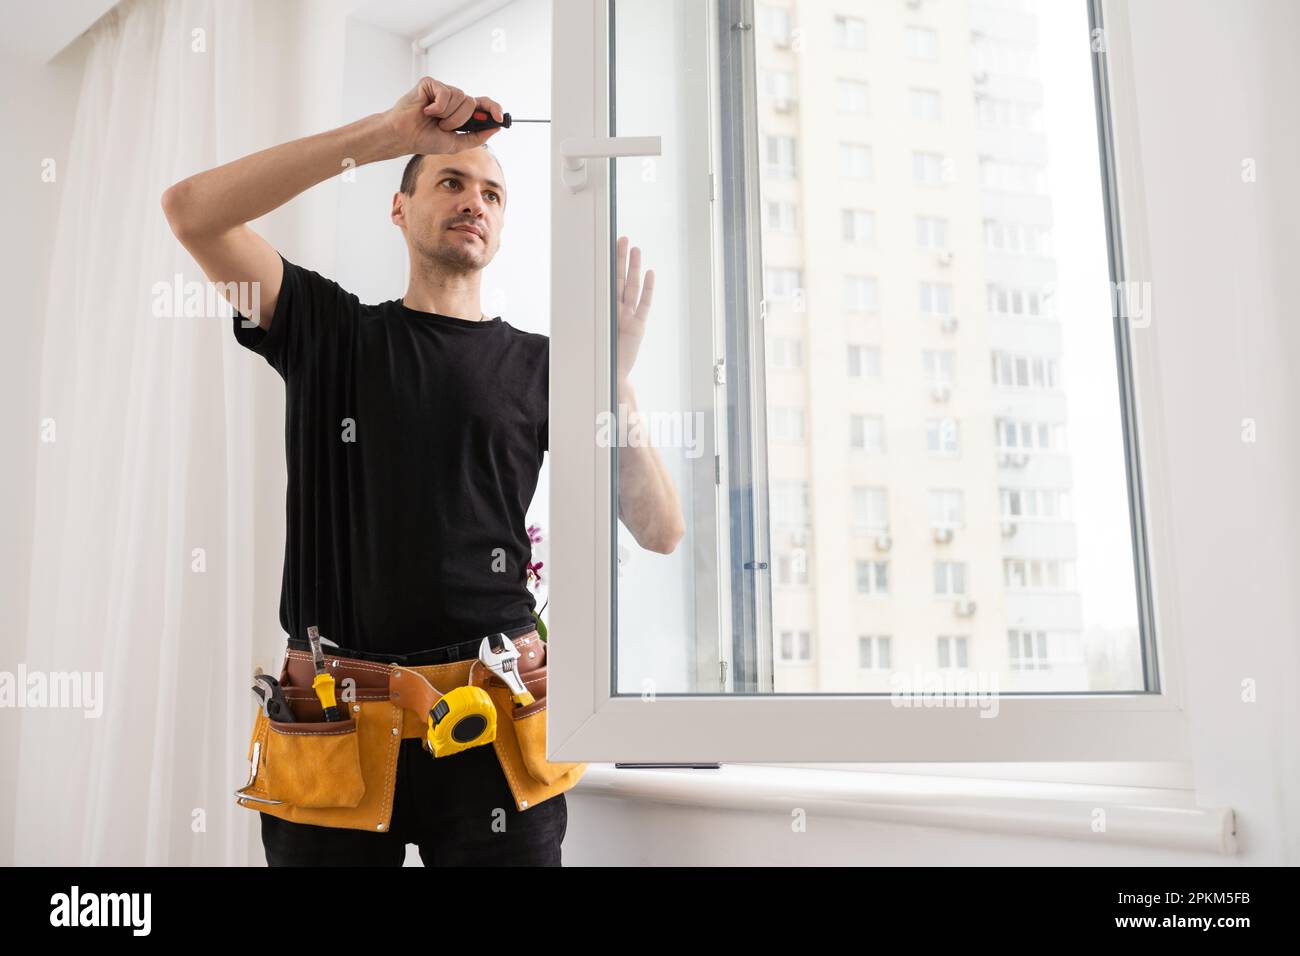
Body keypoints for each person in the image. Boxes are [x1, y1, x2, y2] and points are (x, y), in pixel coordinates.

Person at [161, 77, 685, 866]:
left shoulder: (545, 368)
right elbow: (192, 210)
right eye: (449, 179)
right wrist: (388, 132)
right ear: (400, 210)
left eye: (493, 193)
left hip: (495, 721)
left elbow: (659, 530)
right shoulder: (325, 330)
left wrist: (614, 383)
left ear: (502, 227)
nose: (475, 199)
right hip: (334, 722)